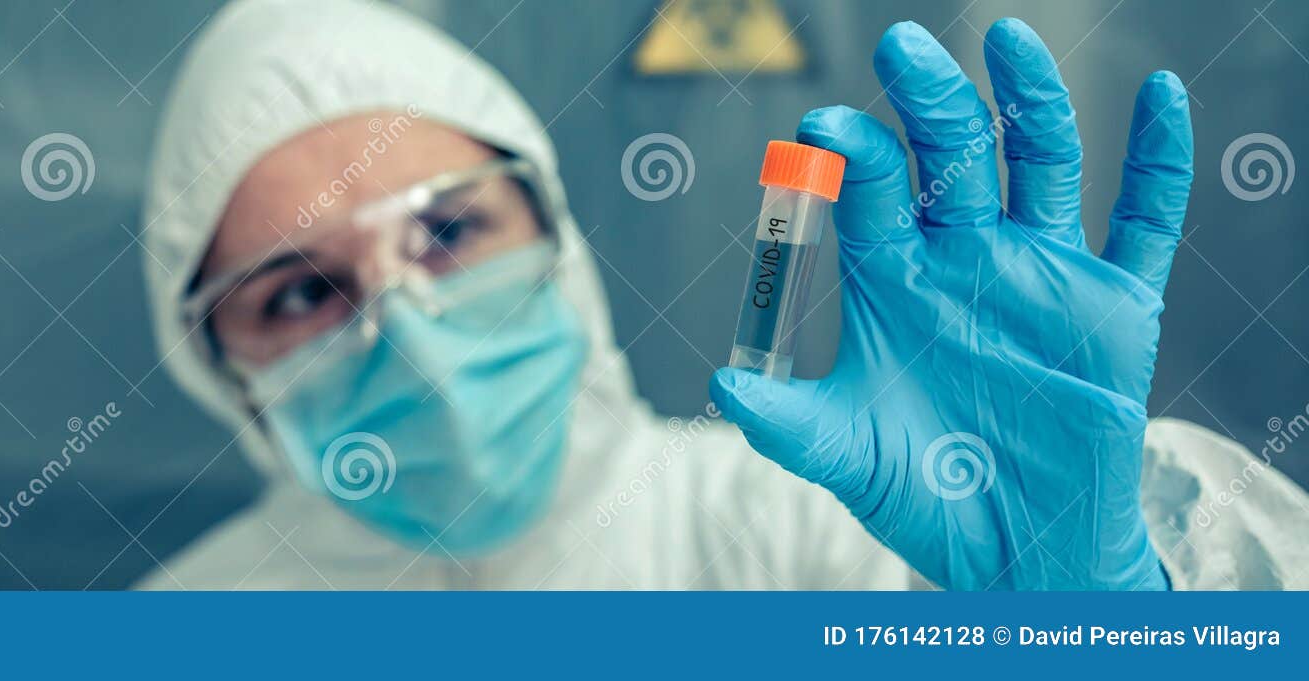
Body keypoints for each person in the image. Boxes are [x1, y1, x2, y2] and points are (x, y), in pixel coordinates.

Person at [136, 0, 1308, 590]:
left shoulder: (823, 529)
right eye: (296, 294)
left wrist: (1097, 624)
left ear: (557, 238)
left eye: (447, 230)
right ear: (217, 368)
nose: (414, 333)